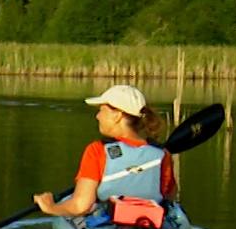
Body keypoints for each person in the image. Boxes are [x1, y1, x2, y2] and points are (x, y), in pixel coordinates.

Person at [34, 84, 174, 218]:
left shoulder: (97, 150)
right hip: (151, 225)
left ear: (117, 115)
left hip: (108, 227)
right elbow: (168, 197)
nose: (98, 116)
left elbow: (81, 205)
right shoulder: (162, 154)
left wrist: (51, 207)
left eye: (102, 110)